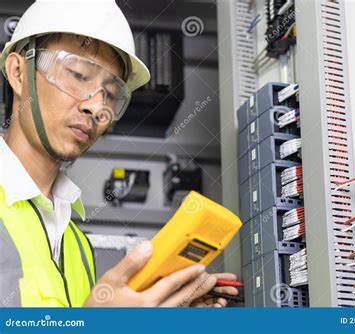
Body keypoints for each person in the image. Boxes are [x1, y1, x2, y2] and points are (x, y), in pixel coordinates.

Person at [0, 0, 238, 307]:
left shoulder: (78, 246)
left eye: (111, 95)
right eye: (78, 74)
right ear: (18, 72)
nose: (97, 107)